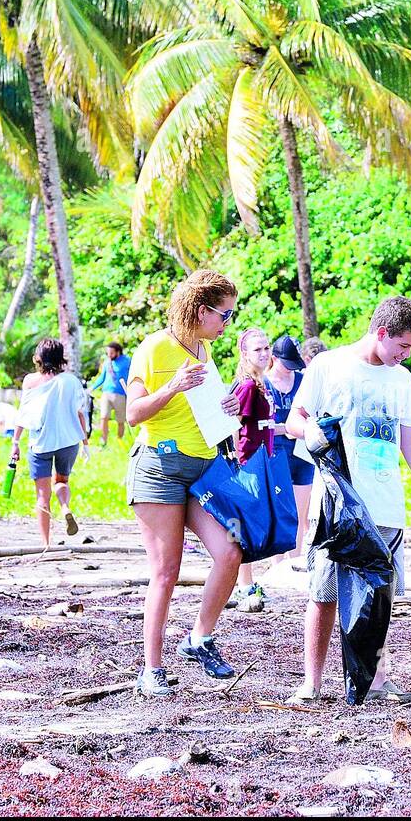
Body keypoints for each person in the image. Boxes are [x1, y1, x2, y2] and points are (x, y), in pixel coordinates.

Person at [284, 296, 411, 705]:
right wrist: (308, 433)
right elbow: (296, 417)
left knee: (379, 593)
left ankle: (376, 679)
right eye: (403, 345)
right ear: (381, 333)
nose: (406, 354)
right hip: (337, 501)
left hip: (385, 502)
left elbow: (410, 442)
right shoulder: (329, 367)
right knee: (324, 592)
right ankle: (312, 683)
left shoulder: (402, 380)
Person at [125, 269, 244, 696]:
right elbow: (133, 414)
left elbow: (208, 407)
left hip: (202, 468)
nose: (227, 323)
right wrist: (172, 386)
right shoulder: (155, 348)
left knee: (230, 552)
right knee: (166, 571)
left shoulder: (204, 347)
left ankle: (199, 637)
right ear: (200, 310)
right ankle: (151, 669)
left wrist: (227, 403)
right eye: (224, 314)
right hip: (159, 468)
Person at [11, 339, 89, 547]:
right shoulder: (71, 381)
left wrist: (15, 441)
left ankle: (46, 543)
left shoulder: (30, 381)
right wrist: (86, 443)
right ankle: (65, 507)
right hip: (68, 441)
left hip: (40, 443)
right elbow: (80, 413)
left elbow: (23, 414)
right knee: (62, 481)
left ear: (39, 358)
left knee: (42, 496)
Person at [232, 328, 276, 603]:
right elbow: (233, 424)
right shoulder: (248, 386)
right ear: (245, 354)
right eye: (257, 349)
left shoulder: (262, 383)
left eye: (266, 348)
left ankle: (244, 580)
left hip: (262, 460)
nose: (264, 353)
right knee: (242, 525)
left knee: (250, 523)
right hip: (248, 462)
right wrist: (239, 463)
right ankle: (243, 583)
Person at [265, 333, 314, 566]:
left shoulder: (303, 380)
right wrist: (287, 428)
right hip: (276, 453)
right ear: (274, 359)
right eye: (286, 365)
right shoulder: (263, 384)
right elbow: (260, 427)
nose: (289, 370)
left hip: (302, 453)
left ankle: (295, 559)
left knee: (299, 511)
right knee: (280, 509)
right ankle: (277, 563)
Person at [88, 341, 131, 446]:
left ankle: (119, 441)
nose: (109, 355)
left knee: (120, 420)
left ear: (118, 352)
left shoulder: (127, 361)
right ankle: (104, 441)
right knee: (103, 417)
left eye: (111, 353)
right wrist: (92, 388)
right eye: (108, 353)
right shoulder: (107, 362)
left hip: (120, 394)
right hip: (106, 393)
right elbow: (102, 378)